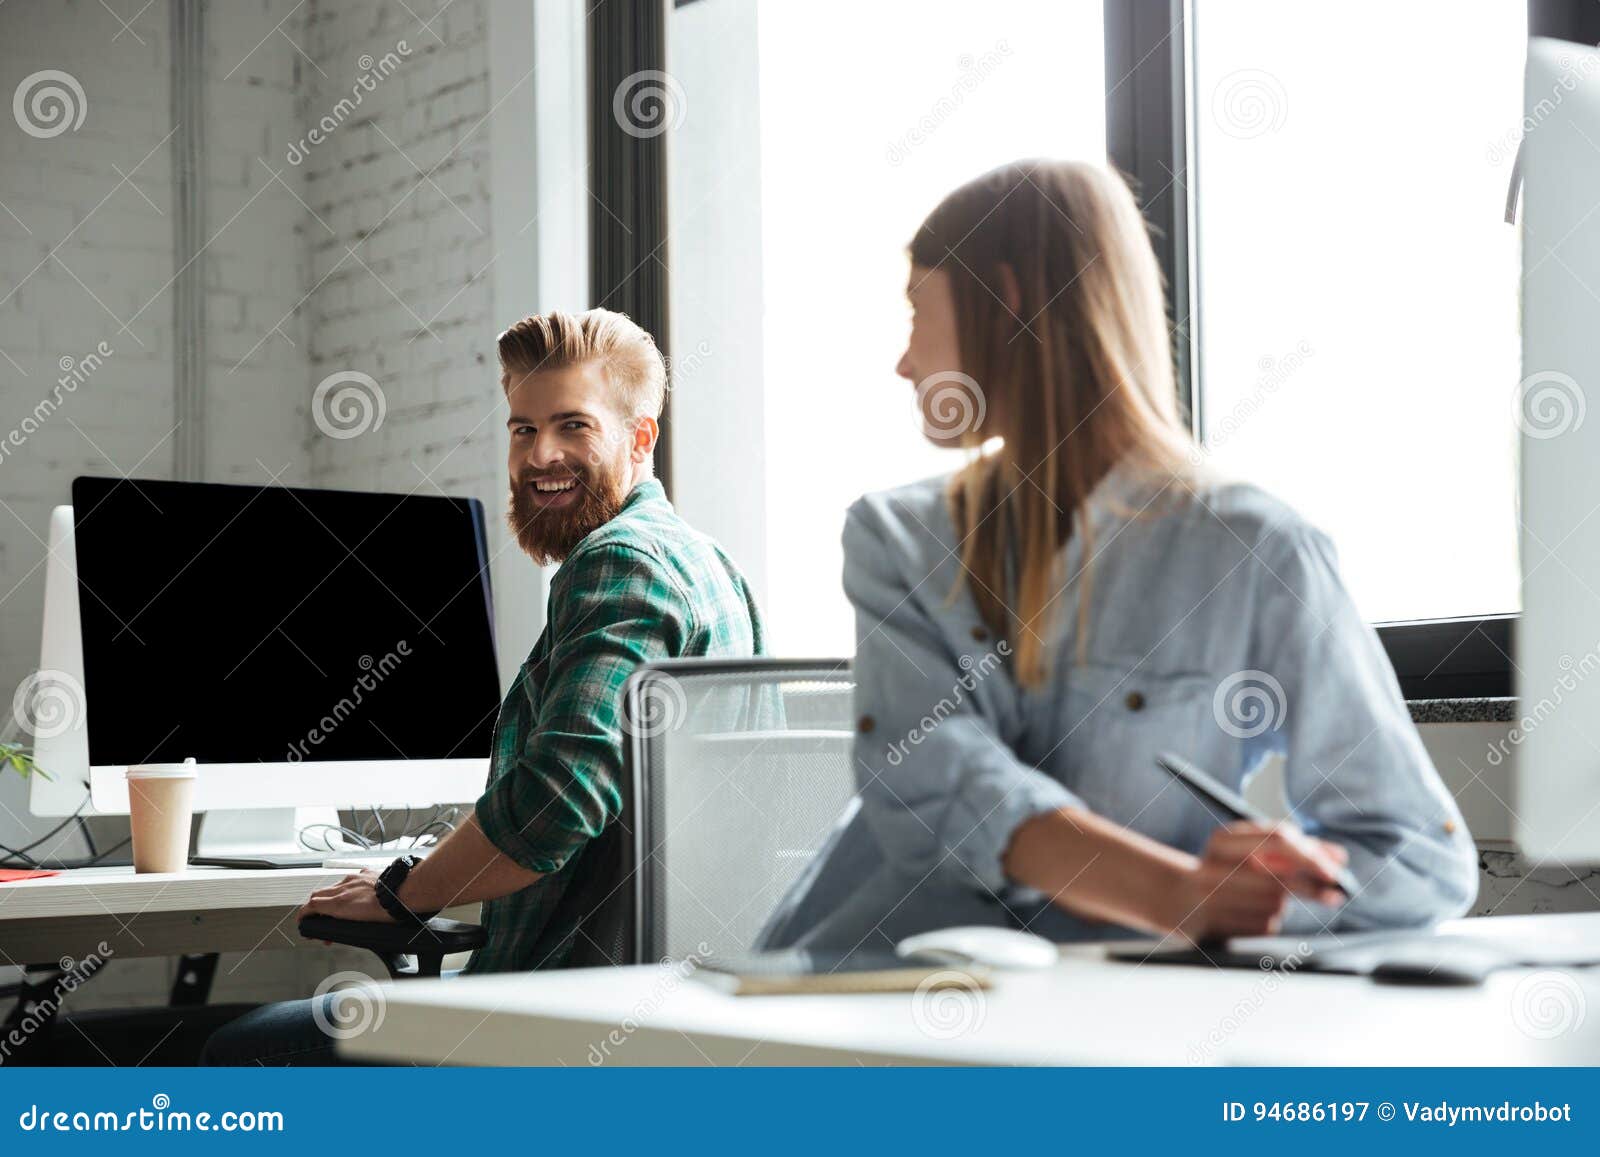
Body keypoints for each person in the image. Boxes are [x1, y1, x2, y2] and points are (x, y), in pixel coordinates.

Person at [766, 160, 1477, 952]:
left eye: (914, 310)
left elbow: (1423, 854)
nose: (903, 362)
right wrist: (1178, 893)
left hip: (1129, 1013)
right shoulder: (897, 537)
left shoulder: (1260, 550)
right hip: (876, 983)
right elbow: (937, 779)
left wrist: (1267, 892)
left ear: (1006, 298)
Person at [204, 309, 764, 1064]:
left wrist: (405, 889)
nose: (542, 455)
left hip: (561, 1013)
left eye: (573, 425)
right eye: (522, 429)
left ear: (640, 437)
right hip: (666, 1010)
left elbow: (557, 801)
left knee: (233, 1050)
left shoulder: (620, 562)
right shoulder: (714, 567)